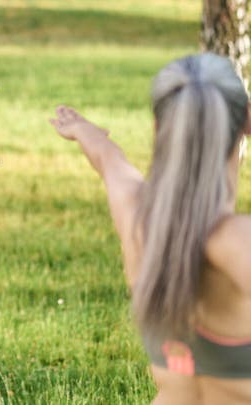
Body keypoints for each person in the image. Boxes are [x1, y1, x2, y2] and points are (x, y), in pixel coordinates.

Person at [50, 53, 251, 404]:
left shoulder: (137, 218)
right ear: (244, 125)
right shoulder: (236, 240)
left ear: (159, 129)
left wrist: (84, 131)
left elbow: (110, 161)